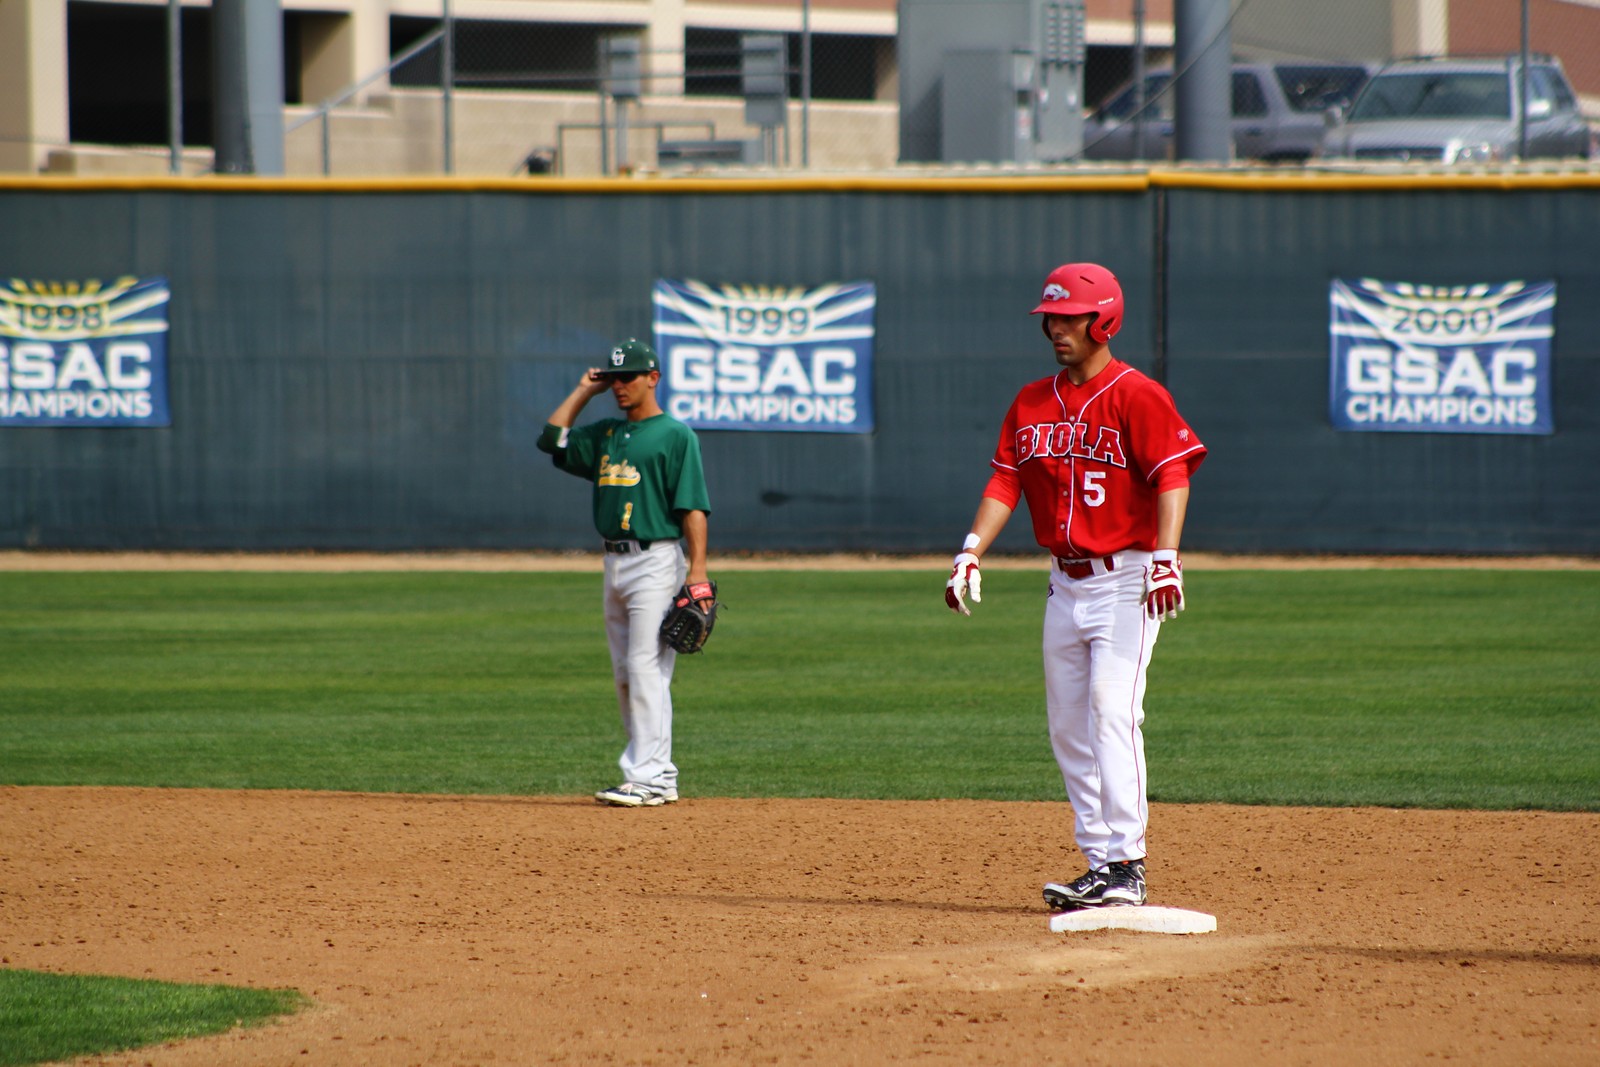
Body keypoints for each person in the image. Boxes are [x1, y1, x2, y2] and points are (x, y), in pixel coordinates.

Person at [944, 263, 1207, 909]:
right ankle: (1100, 863)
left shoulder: (1136, 393)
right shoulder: (1032, 401)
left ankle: (1129, 862)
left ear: (1104, 319)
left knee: (1112, 712)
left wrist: (1167, 556)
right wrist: (971, 549)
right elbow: (1006, 481)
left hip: (1126, 581)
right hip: (1064, 587)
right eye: (1051, 319)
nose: (1056, 328)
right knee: (1068, 727)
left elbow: (1173, 473)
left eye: (1069, 317)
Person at [537, 339, 713, 807]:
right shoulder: (607, 434)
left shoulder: (676, 435)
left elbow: (693, 508)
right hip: (613, 562)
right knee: (625, 672)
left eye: (629, 376)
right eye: (614, 378)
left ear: (653, 378)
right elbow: (550, 440)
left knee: (645, 667)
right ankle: (658, 773)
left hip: (657, 560)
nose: (619, 385)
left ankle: (649, 775)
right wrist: (581, 392)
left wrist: (697, 573)